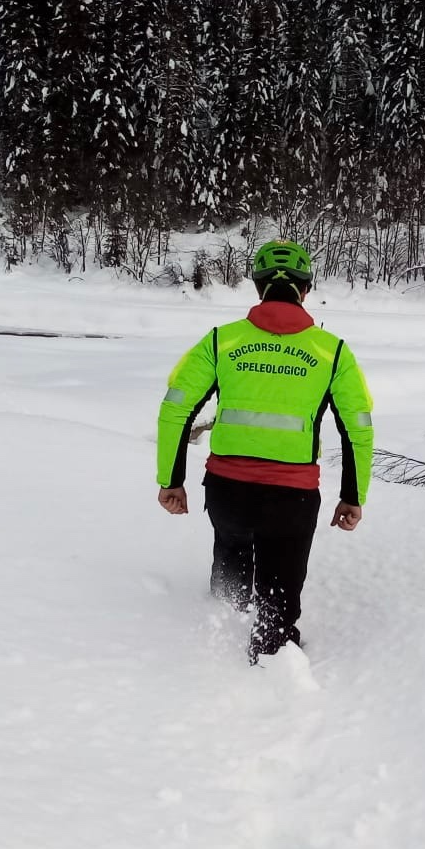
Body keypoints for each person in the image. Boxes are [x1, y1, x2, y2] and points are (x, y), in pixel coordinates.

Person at [155, 240, 375, 663]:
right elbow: (359, 430)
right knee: (279, 596)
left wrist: (172, 480)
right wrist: (353, 495)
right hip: (292, 499)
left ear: (258, 289)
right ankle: (273, 666)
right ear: (305, 290)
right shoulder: (333, 353)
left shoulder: (222, 341)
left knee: (230, 572)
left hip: (227, 492)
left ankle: (212, 652)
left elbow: (174, 409)